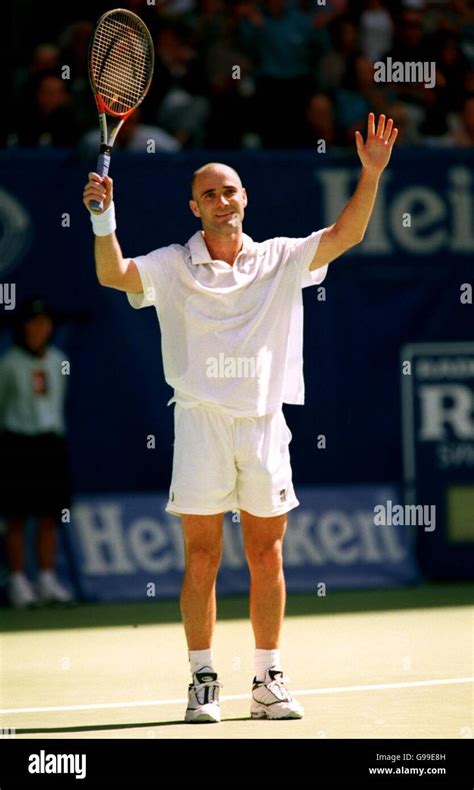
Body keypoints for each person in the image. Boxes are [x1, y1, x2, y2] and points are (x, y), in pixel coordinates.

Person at [82, 112, 398, 723]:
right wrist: (102, 218)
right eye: (209, 194)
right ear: (194, 208)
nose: (221, 200)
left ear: (244, 198)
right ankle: (203, 679)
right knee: (201, 558)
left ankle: (266, 680)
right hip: (200, 425)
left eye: (229, 190)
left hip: (263, 423)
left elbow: (346, 234)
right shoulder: (173, 265)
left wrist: (372, 175)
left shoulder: (281, 258)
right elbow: (111, 273)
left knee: (267, 555)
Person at [0, 299, 73, 607]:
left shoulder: (59, 360)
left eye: (44, 322)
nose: (39, 328)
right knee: (15, 518)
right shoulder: (9, 364)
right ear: (22, 327)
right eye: (32, 322)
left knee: (48, 517)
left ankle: (46, 580)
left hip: (50, 447)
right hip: (17, 446)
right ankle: (17, 581)